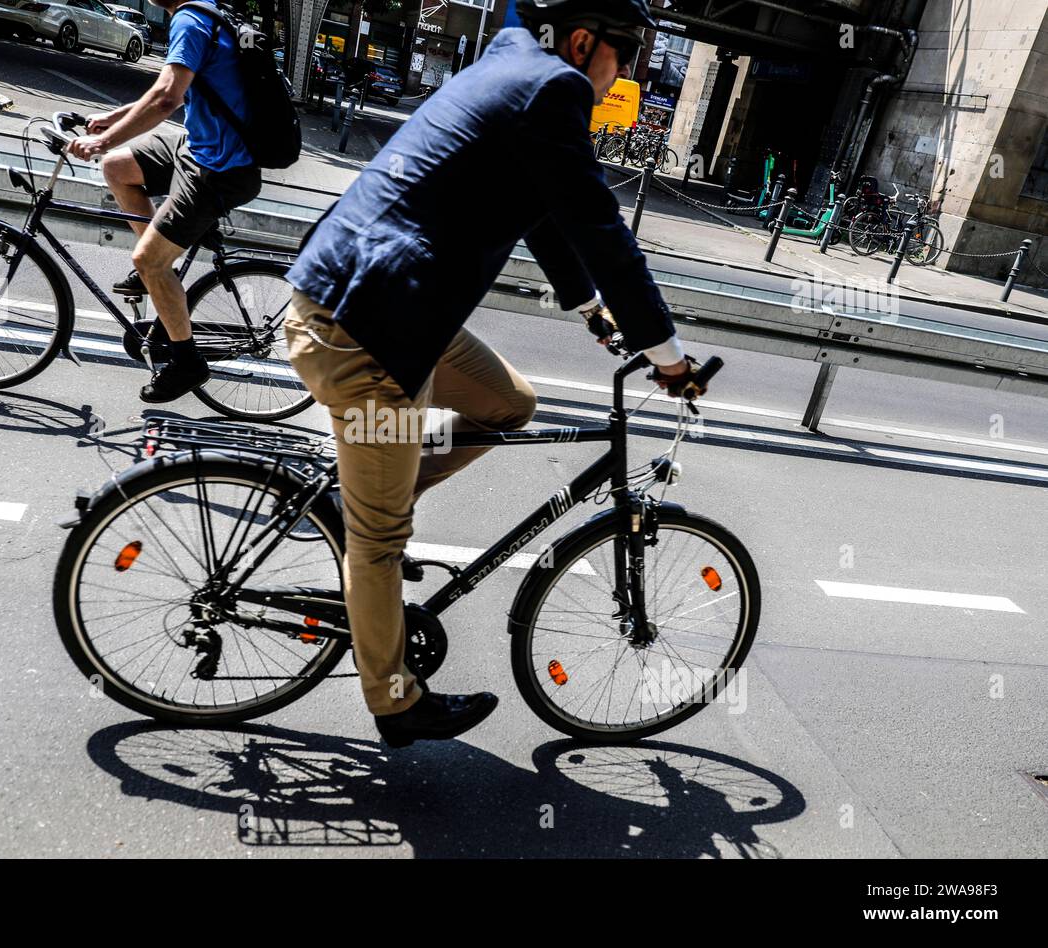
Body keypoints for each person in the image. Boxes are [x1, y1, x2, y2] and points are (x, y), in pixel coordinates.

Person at [284, 0, 702, 748]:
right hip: (363, 328)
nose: (626, 75)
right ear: (584, 39)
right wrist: (668, 357)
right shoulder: (555, 89)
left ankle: (373, 489)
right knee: (379, 543)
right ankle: (395, 701)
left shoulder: (514, 65)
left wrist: (587, 309)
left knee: (509, 401)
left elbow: (544, 211)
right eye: (626, 53)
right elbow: (604, 232)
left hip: (390, 303)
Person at [68, 0, 261, 403]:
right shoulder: (202, 13)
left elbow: (166, 101)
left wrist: (101, 140)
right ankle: (161, 269)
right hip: (196, 148)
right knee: (118, 166)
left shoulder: (191, 19)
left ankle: (187, 362)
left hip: (219, 168)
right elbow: (171, 90)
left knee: (147, 260)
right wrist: (114, 119)